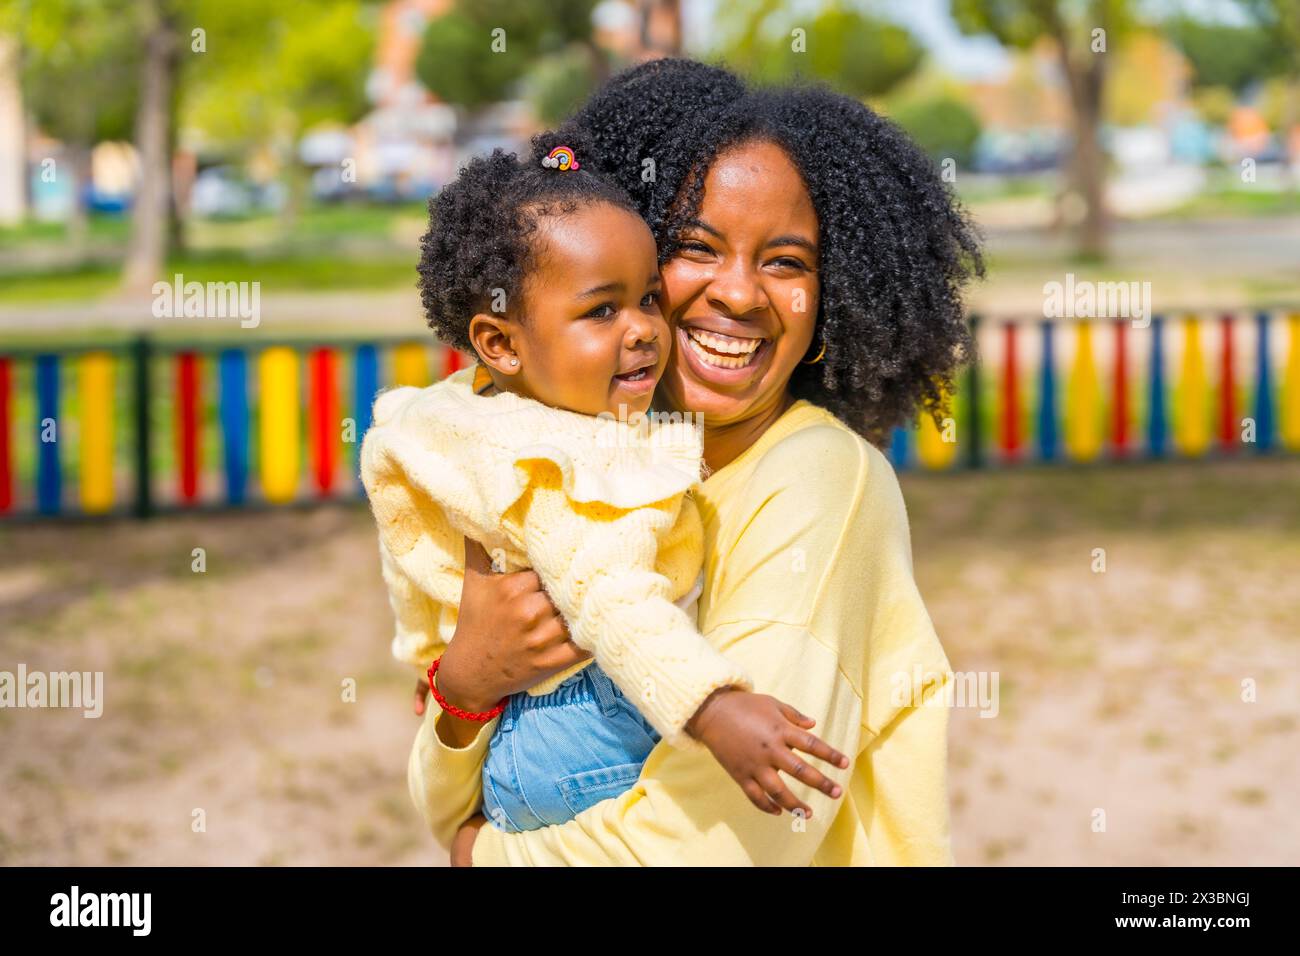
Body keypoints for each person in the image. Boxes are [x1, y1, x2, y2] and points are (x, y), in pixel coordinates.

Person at [409, 60, 984, 865]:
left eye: (786, 261)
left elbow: (712, 844)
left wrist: (483, 859)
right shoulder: (576, 468)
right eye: (693, 247)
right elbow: (453, 802)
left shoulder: (818, 479)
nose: (742, 294)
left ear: (831, 296)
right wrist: (464, 691)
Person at [361, 131, 848, 836]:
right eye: (601, 311)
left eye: (648, 298)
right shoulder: (560, 462)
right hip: (586, 728)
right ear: (500, 342)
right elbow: (612, 601)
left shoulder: (460, 416)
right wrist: (711, 709)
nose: (644, 330)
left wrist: (431, 662)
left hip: (518, 738)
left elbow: (410, 559)